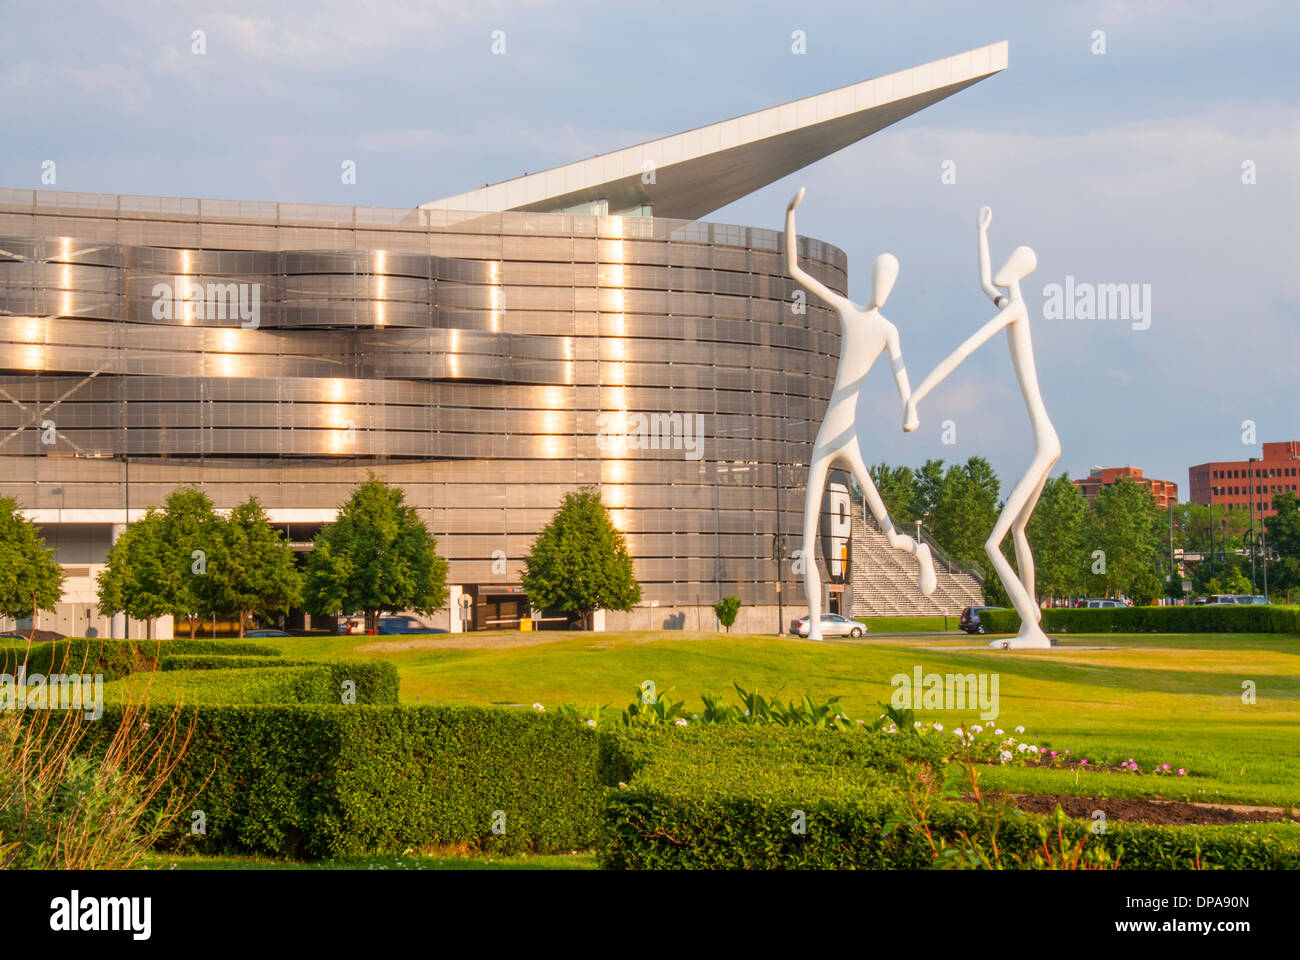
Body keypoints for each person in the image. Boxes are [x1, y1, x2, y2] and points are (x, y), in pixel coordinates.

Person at [904, 206, 1060, 649]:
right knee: (1018, 533)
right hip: (1048, 441)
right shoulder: (1012, 303)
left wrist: (918, 395)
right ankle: (1033, 621)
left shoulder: (1014, 312)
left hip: (1044, 444)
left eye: (1013, 262)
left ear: (1022, 271)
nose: (1003, 269)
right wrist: (980, 232)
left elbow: (963, 351)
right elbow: (983, 283)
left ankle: (1030, 626)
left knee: (994, 544)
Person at [785, 188, 936, 641]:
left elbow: (902, 376)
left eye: (889, 279)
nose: (882, 286)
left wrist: (910, 409)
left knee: (891, 536)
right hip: (827, 437)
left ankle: (918, 550)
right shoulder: (849, 310)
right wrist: (791, 214)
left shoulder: (889, 331)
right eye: (878, 277)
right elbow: (794, 269)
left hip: (847, 436)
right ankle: (814, 626)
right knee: (807, 541)